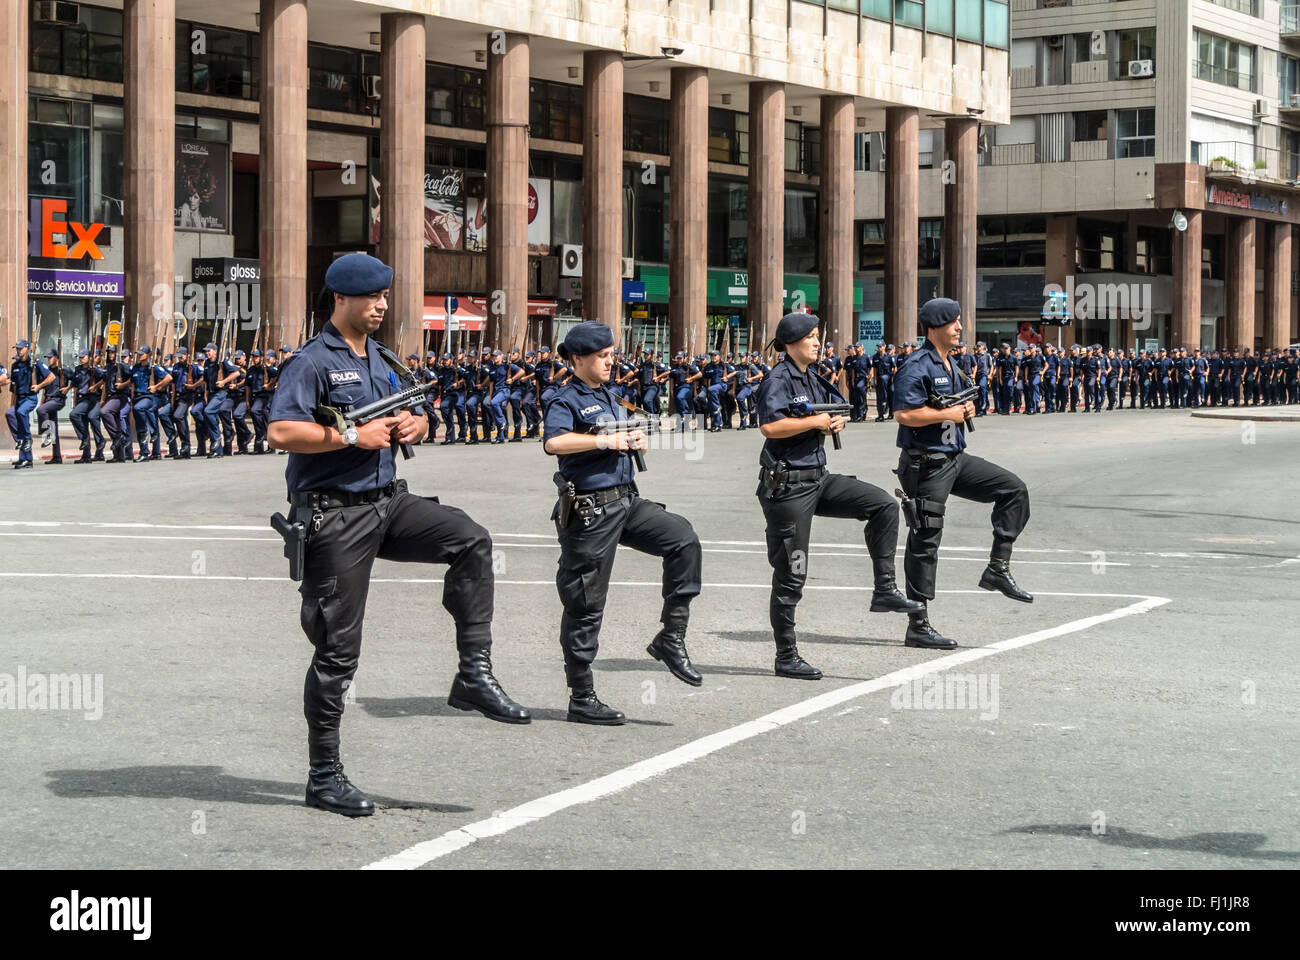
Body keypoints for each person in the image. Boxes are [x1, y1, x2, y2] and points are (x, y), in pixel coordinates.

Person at [267, 252, 529, 818]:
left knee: (471, 539)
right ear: (341, 299)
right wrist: (349, 438)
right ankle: (324, 776)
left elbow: (416, 412)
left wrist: (418, 423)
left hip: (389, 502)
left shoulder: (383, 358)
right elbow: (281, 430)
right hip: (335, 515)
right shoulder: (311, 362)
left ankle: (472, 674)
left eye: (385, 296)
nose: (382, 305)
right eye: (371, 297)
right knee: (338, 652)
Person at [542, 321, 703, 724]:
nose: (611, 361)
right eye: (602, 355)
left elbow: (627, 432)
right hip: (591, 511)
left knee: (683, 539)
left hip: (626, 501)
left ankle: (671, 636)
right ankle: (582, 695)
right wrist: (604, 441)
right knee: (585, 603)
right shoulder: (565, 399)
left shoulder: (613, 397)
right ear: (578, 359)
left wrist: (635, 438)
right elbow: (554, 442)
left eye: (612, 354)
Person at [754, 312, 923, 679]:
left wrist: (832, 421)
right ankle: (786, 655)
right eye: (812, 337)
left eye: (818, 337)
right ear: (793, 343)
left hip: (818, 479)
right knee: (792, 571)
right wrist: (815, 422)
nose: (817, 343)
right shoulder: (779, 379)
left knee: (881, 505)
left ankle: (884, 588)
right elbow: (769, 425)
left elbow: (822, 414)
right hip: (788, 487)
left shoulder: (813, 377)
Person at [891, 298, 1032, 649]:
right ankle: (918, 624)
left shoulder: (951, 364)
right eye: (954, 323)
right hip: (927, 463)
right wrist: (948, 415)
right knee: (925, 540)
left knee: (1013, 490)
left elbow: (952, 407)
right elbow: (904, 414)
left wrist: (965, 407)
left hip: (955, 457)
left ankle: (997, 567)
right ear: (936, 325)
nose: (959, 328)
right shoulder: (917, 364)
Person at [67, 349, 106, 463]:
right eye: (80, 356)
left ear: (89, 357)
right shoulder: (78, 369)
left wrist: (96, 386)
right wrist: (74, 401)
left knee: (74, 415)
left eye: (83, 356)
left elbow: (105, 378)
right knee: (83, 423)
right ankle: (86, 455)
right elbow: (75, 385)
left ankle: (87, 439)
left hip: (90, 399)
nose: (81, 358)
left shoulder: (94, 369)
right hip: (80, 399)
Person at [7, 339, 39, 469]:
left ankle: (26, 441)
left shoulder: (33, 364)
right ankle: (25, 457)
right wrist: (12, 404)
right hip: (19, 399)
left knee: (21, 414)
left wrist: (38, 386)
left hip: (30, 398)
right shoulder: (15, 366)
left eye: (21, 348)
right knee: (12, 415)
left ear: (27, 348)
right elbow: (13, 388)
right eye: (17, 349)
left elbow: (51, 377)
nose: (18, 350)